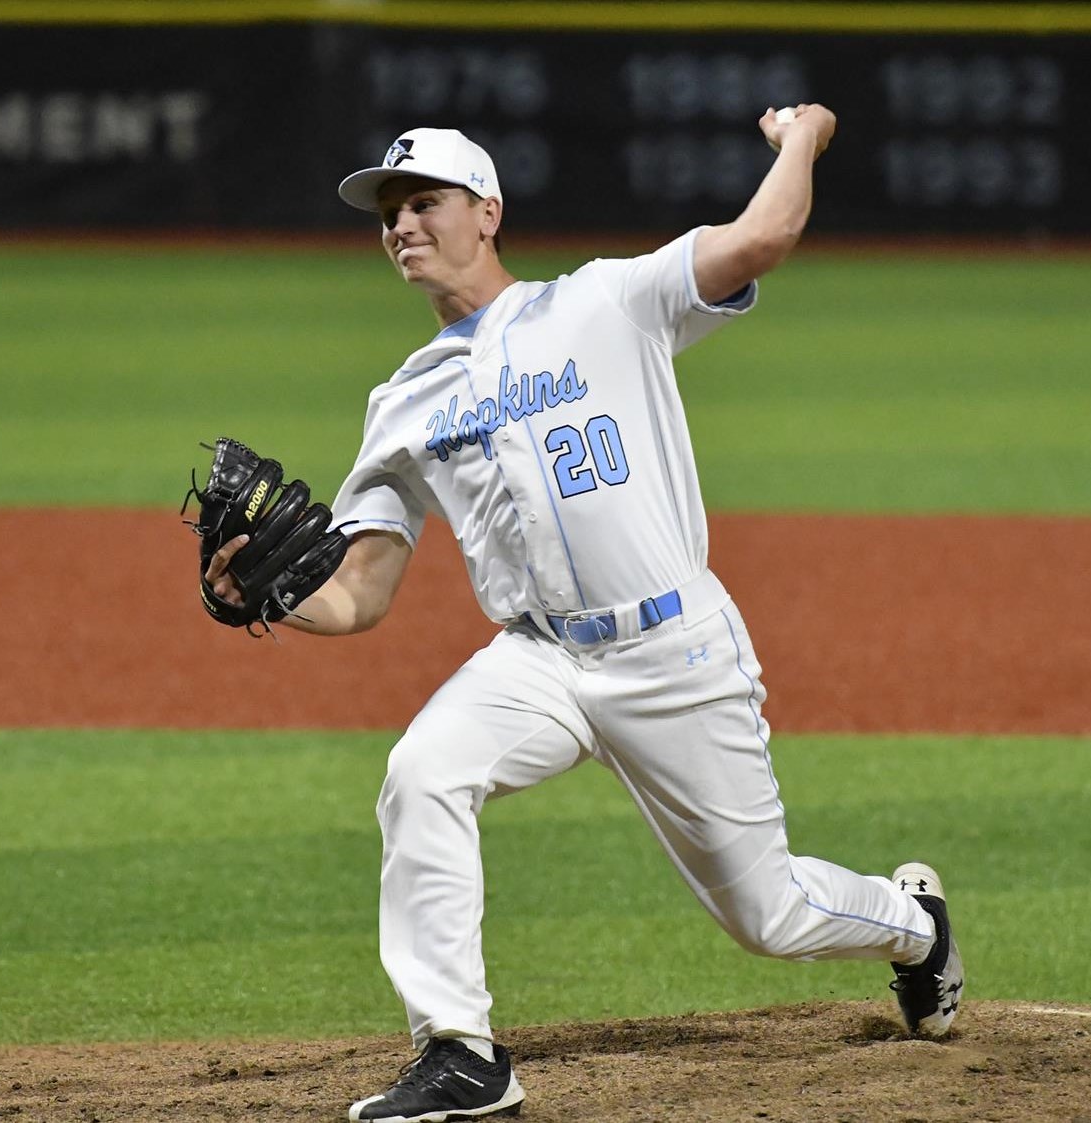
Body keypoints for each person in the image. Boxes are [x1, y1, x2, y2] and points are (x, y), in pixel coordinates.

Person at [204, 113, 963, 1123]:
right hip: (539, 662)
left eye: (423, 202)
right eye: (389, 212)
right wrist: (268, 596)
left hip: (673, 648)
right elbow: (363, 593)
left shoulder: (609, 300)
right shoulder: (404, 401)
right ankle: (462, 1054)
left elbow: (762, 238)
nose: (401, 225)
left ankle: (915, 928)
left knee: (767, 914)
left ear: (488, 212)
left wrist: (803, 140)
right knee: (422, 773)